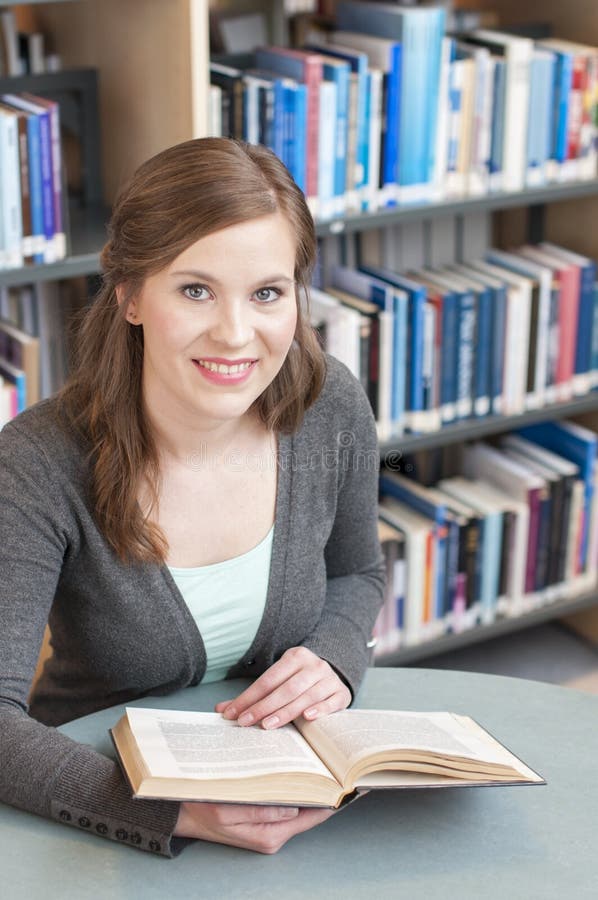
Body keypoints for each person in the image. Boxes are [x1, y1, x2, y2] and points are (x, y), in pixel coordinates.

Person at [0, 137, 385, 858]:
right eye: (196, 289)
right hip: (94, 816)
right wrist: (170, 815)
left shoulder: (330, 403)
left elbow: (356, 572)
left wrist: (334, 655)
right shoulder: (35, 462)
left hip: (284, 801)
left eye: (267, 293)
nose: (237, 335)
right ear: (130, 295)